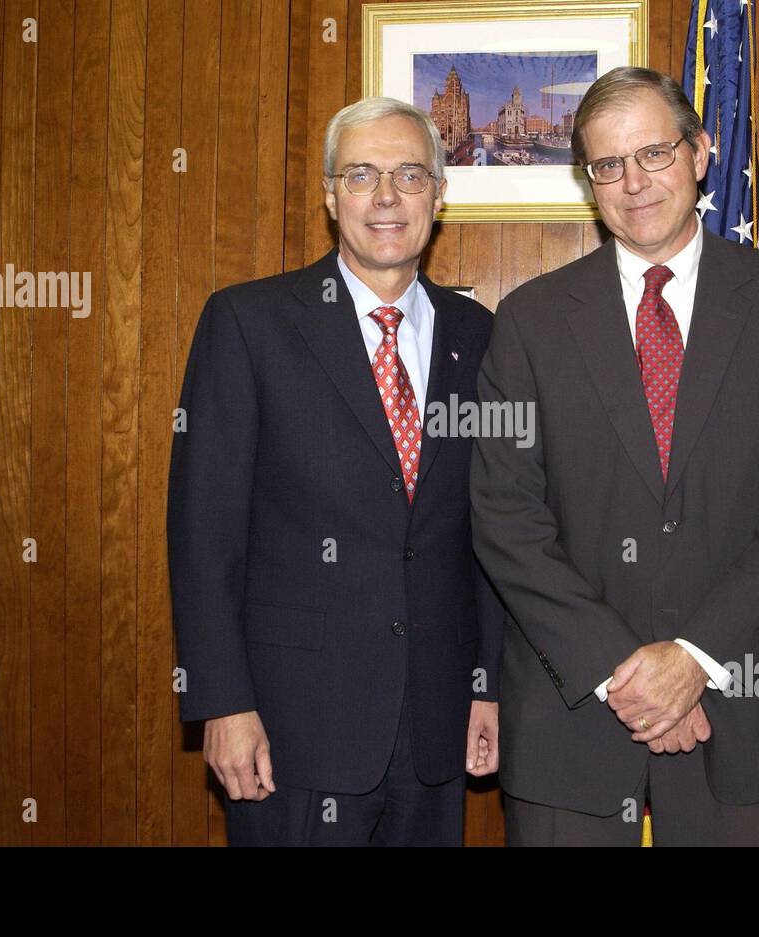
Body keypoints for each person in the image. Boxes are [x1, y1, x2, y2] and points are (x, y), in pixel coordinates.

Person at [470, 66, 759, 845]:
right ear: (589, 180)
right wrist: (628, 673)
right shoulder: (530, 322)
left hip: (736, 719)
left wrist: (695, 658)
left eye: (653, 153)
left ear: (702, 151)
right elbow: (506, 518)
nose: (633, 182)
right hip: (570, 721)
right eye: (608, 164)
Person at [168, 96, 502, 846]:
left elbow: (488, 531)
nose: (387, 196)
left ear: (439, 195)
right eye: (361, 175)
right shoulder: (249, 324)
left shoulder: (478, 336)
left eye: (410, 174)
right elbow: (203, 533)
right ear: (329, 194)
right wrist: (223, 703)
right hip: (292, 728)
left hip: (436, 725)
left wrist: (489, 686)